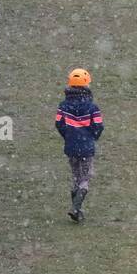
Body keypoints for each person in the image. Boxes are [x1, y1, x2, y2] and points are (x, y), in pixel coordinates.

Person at [55, 68, 103, 223]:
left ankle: (77, 209)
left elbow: (59, 124)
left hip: (70, 147)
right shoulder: (92, 108)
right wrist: (91, 137)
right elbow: (98, 126)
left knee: (75, 176)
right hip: (86, 148)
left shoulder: (63, 105)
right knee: (85, 177)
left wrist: (68, 136)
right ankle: (76, 208)